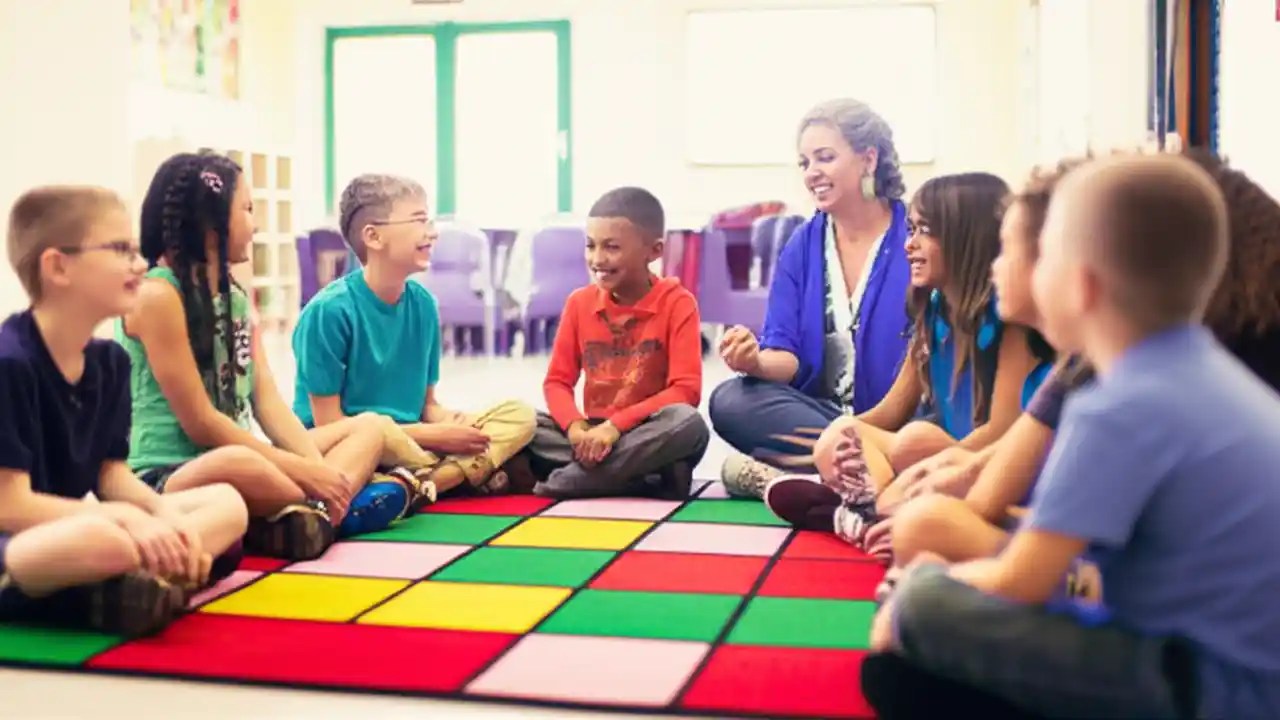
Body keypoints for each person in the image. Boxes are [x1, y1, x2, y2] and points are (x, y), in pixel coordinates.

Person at [862, 153, 1280, 720]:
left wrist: (925, 586)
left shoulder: (1118, 405)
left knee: (921, 612)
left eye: (1036, 258)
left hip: (1210, 685)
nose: (1000, 267)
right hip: (1231, 661)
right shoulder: (1199, 370)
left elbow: (1022, 580)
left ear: (1080, 286)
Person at [118, 153, 419, 558]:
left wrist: (318, 472)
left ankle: (317, 510)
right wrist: (305, 473)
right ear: (211, 222)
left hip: (242, 459)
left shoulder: (235, 300)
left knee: (368, 427)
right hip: (169, 475)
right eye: (246, 209)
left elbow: (268, 402)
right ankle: (319, 510)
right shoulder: (158, 295)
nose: (255, 223)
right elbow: (202, 425)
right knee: (239, 462)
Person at [0, 185, 248, 637]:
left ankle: (129, 583)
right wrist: (125, 519)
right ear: (58, 266)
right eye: (120, 249)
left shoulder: (109, 362)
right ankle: (146, 575)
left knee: (228, 504)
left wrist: (164, 518)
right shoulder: (10, 363)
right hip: (21, 541)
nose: (139, 263)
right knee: (107, 540)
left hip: (78, 528)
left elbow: (111, 475)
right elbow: (9, 504)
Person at [763, 173, 1041, 546]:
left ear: (966, 237)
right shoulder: (932, 309)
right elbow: (888, 411)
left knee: (915, 439)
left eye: (924, 230)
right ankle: (866, 507)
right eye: (910, 229)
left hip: (989, 462)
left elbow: (1003, 430)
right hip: (937, 463)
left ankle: (866, 510)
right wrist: (842, 446)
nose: (909, 244)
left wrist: (936, 471)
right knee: (846, 434)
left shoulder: (1007, 320)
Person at [711, 98, 912, 494]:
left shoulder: (914, 237)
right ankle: (861, 472)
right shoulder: (802, 245)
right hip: (823, 419)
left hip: (899, 420)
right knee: (730, 400)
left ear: (868, 159)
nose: (812, 173)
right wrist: (753, 360)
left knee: (925, 431)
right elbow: (785, 356)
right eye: (804, 163)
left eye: (825, 158)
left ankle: (827, 476)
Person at [294, 173, 537, 497]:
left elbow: (428, 406)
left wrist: (451, 420)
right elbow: (330, 426)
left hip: (412, 443)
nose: (432, 233)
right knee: (376, 427)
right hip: (350, 445)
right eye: (419, 220)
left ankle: (419, 484)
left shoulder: (423, 306)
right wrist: (436, 436)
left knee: (520, 415)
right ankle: (456, 475)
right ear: (374, 236)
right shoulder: (329, 311)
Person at [526, 187, 710, 499]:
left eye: (611, 247)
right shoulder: (579, 303)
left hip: (645, 432)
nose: (597, 259)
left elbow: (686, 391)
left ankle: (573, 480)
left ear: (653, 251)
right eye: (590, 245)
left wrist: (614, 427)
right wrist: (574, 428)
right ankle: (638, 478)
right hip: (591, 433)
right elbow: (557, 382)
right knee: (522, 422)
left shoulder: (679, 303)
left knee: (688, 424)